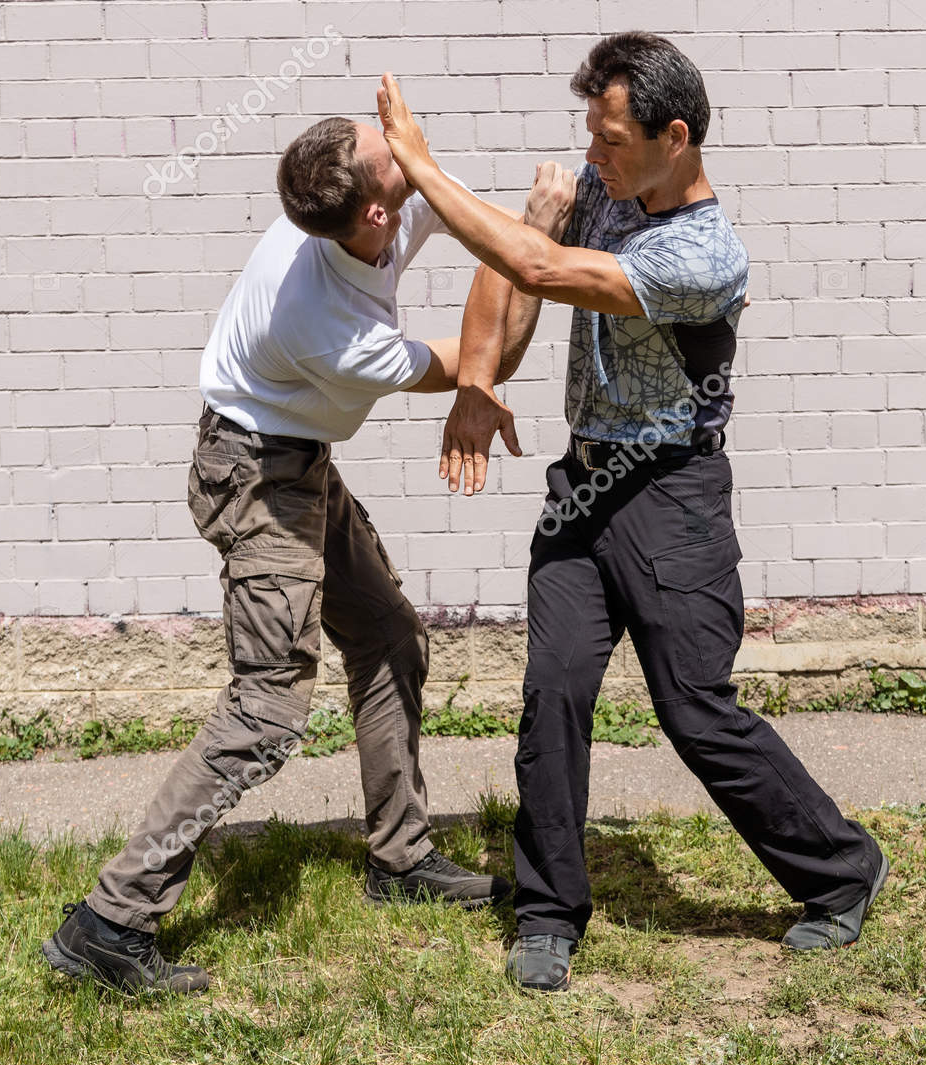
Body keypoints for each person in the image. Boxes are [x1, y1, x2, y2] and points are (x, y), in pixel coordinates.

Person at [376, 32, 890, 993]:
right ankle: (547, 912)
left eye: (611, 137)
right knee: (554, 692)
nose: (594, 151)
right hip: (583, 483)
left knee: (694, 709)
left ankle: (842, 870)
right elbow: (520, 275)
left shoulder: (703, 254)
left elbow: (538, 267)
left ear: (677, 137)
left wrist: (425, 170)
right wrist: (481, 379)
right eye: (593, 132)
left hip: (672, 499)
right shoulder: (607, 188)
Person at [42, 115, 575, 993]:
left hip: (299, 462)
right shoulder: (331, 328)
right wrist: (537, 238)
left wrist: (511, 233)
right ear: (372, 211)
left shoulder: (345, 198)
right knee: (266, 710)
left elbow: (468, 226)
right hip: (255, 477)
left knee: (388, 637)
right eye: (391, 155)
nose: (408, 154)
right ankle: (111, 919)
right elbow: (483, 360)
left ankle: (400, 858)